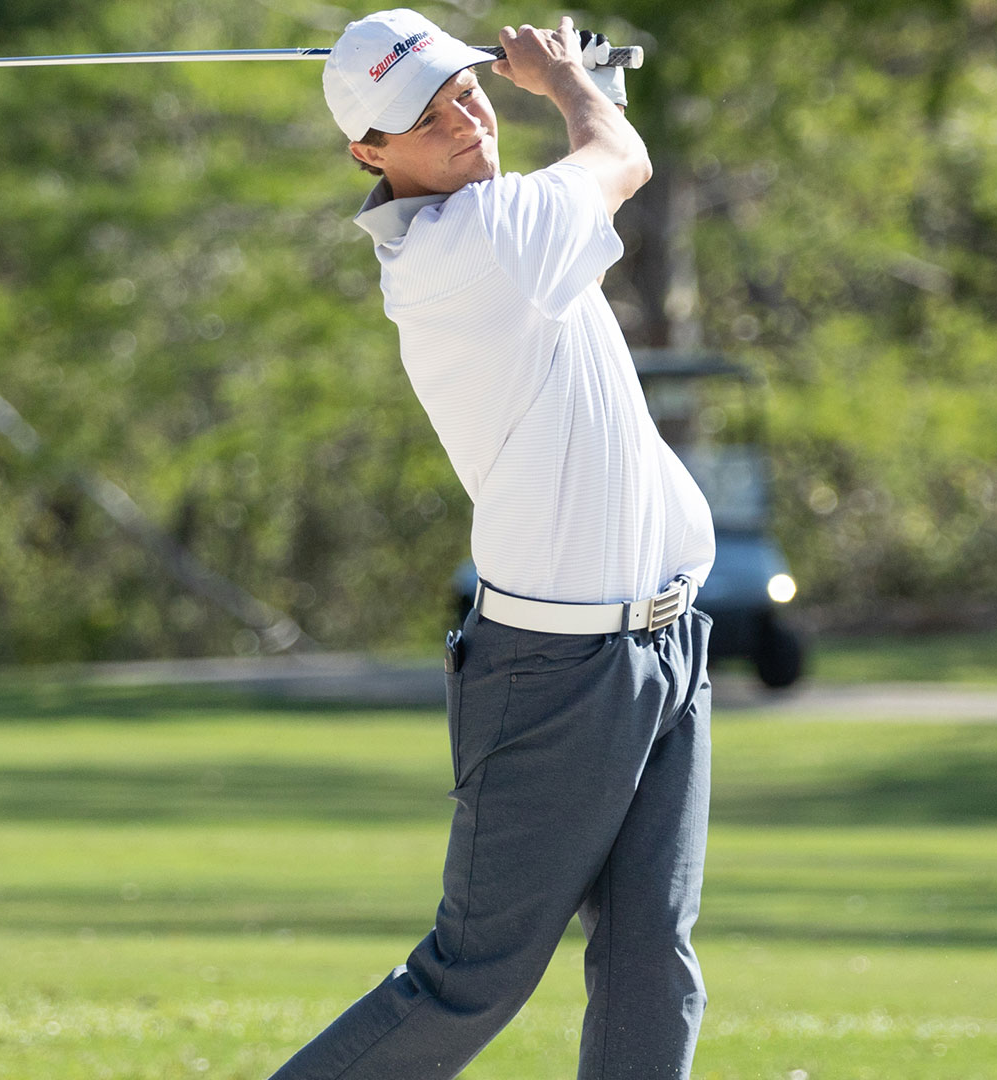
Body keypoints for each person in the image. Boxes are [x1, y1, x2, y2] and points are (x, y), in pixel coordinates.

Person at [269, 10, 716, 1079]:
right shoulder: (479, 244)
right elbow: (621, 155)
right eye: (425, 120)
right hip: (554, 670)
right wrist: (563, 82)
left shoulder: (498, 217)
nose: (466, 121)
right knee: (475, 974)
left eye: (467, 92)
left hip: (666, 641)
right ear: (367, 155)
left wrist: (567, 85)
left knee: (654, 956)